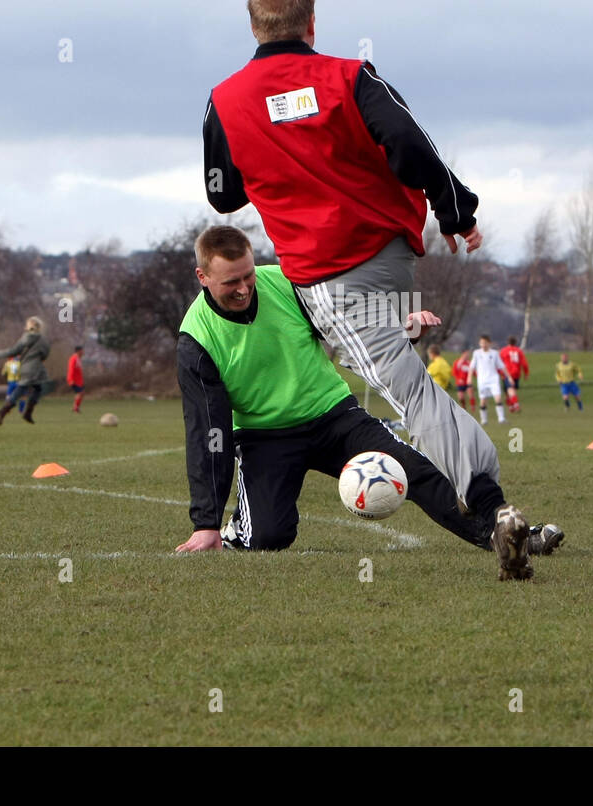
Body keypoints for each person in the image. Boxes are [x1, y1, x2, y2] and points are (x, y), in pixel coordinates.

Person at [202, 0, 526, 545]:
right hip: (393, 255)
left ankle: (489, 504)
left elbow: (223, 193)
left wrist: (278, 158)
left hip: (330, 279)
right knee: (396, 363)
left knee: (411, 391)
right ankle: (476, 495)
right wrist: (457, 212)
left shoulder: (225, 100)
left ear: (253, 27)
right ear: (311, 23)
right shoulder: (349, 77)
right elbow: (409, 143)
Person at [174, 227, 560, 578]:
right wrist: (205, 523)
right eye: (231, 282)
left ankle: (506, 534)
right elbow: (209, 433)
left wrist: (402, 327)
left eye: (248, 275)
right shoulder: (196, 340)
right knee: (270, 536)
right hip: (265, 438)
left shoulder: (284, 284)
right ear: (202, 277)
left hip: (333, 416)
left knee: (418, 470)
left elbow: (349, 322)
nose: (243, 288)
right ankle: (236, 530)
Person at [0, 317, 50, 424]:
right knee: (30, 389)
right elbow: (45, 354)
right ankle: (20, 412)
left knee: (32, 388)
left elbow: (13, 351)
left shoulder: (25, 338)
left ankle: (13, 411)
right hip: (37, 369)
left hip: (25, 368)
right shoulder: (43, 340)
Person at [470, 335, 509, 426]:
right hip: (482, 380)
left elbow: (501, 366)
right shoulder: (476, 353)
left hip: (493, 379)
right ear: (480, 343)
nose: (483, 344)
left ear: (489, 343)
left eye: (485, 343)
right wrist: (469, 378)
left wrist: (509, 376)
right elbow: (472, 367)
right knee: (483, 400)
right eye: (482, 343)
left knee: (498, 398)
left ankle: (501, 419)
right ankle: (484, 420)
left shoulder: (494, 353)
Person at [499, 337, 529, 413]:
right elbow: (524, 363)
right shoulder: (519, 351)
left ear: (508, 342)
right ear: (515, 342)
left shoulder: (503, 351)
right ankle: (511, 406)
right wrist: (526, 373)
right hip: (516, 373)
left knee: (509, 389)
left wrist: (499, 372)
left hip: (507, 373)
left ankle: (515, 405)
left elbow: (499, 363)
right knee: (511, 390)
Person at [67, 345, 85, 413]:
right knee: (80, 393)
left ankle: (75, 407)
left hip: (79, 381)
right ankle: (75, 407)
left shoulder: (78, 358)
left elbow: (79, 371)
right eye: (82, 350)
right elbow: (71, 369)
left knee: (80, 393)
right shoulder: (73, 358)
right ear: (78, 351)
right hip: (74, 380)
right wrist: (71, 380)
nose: (83, 352)